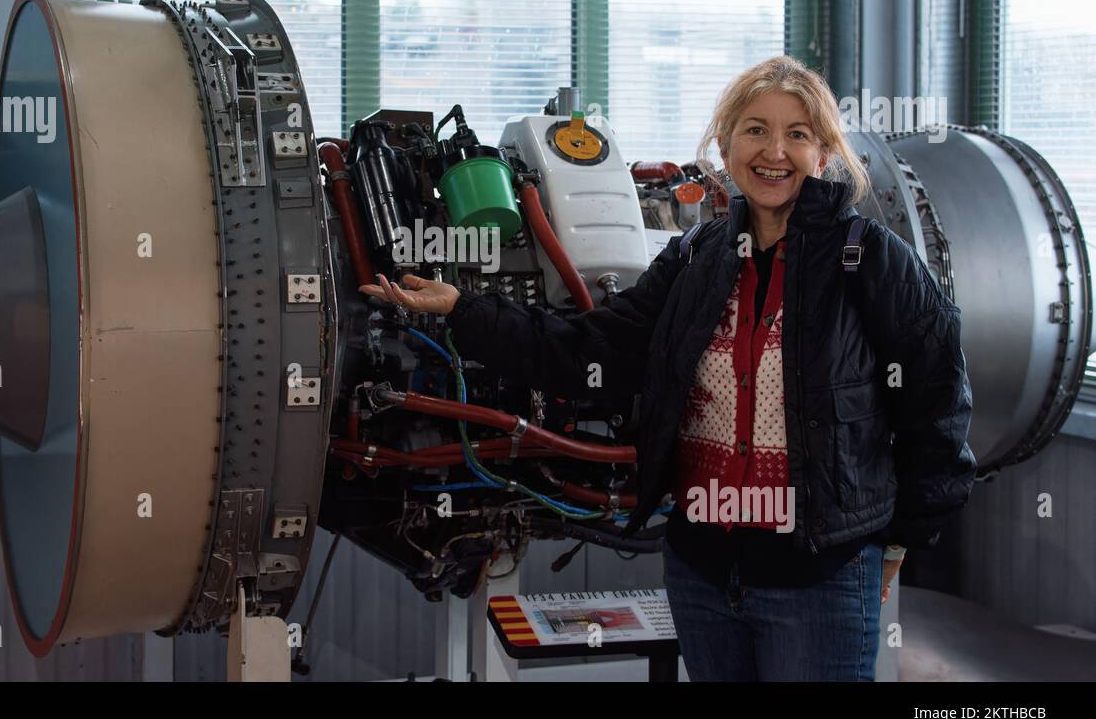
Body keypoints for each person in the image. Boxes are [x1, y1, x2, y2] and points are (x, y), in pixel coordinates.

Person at [359, 55, 975, 681]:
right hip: (704, 574)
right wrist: (464, 310)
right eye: (755, 129)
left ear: (823, 154)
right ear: (726, 143)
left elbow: (938, 406)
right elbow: (588, 350)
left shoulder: (871, 262)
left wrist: (899, 540)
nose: (774, 152)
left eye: (797, 134)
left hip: (818, 578)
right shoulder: (697, 258)